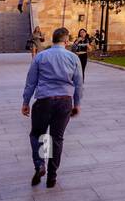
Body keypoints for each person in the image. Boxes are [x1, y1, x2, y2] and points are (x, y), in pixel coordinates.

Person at [22, 27, 83, 188]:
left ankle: (40, 164)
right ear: (66, 41)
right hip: (64, 101)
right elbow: (78, 83)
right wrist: (77, 103)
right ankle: (52, 177)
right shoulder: (73, 57)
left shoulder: (41, 57)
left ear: (53, 40)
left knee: (39, 135)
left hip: (44, 100)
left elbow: (31, 82)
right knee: (57, 138)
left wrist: (25, 102)